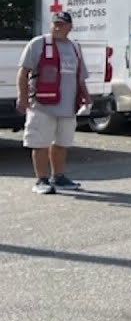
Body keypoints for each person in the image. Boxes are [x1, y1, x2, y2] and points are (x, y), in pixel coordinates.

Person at [15, 10, 91, 194]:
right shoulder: (38, 43)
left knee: (62, 142)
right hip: (41, 105)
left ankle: (58, 177)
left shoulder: (75, 48)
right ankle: (41, 180)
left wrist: (87, 97)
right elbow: (23, 72)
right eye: (55, 23)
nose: (57, 27)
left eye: (62, 24)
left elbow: (80, 77)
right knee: (40, 142)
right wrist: (22, 97)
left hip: (68, 107)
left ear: (70, 27)